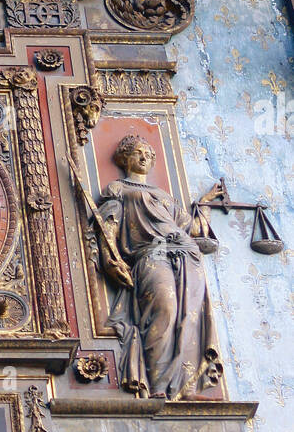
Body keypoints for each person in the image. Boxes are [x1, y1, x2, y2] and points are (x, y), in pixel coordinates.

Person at [90, 134, 224, 400]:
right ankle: (159, 384)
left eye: (148, 155)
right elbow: (109, 227)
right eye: (138, 153)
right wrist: (109, 259)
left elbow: (193, 228)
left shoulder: (164, 196)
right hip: (151, 254)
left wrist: (205, 203)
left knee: (189, 318)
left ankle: (183, 385)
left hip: (187, 255)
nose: (144, 158)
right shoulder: (118, 189)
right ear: (125, 158)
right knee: (165, 308)